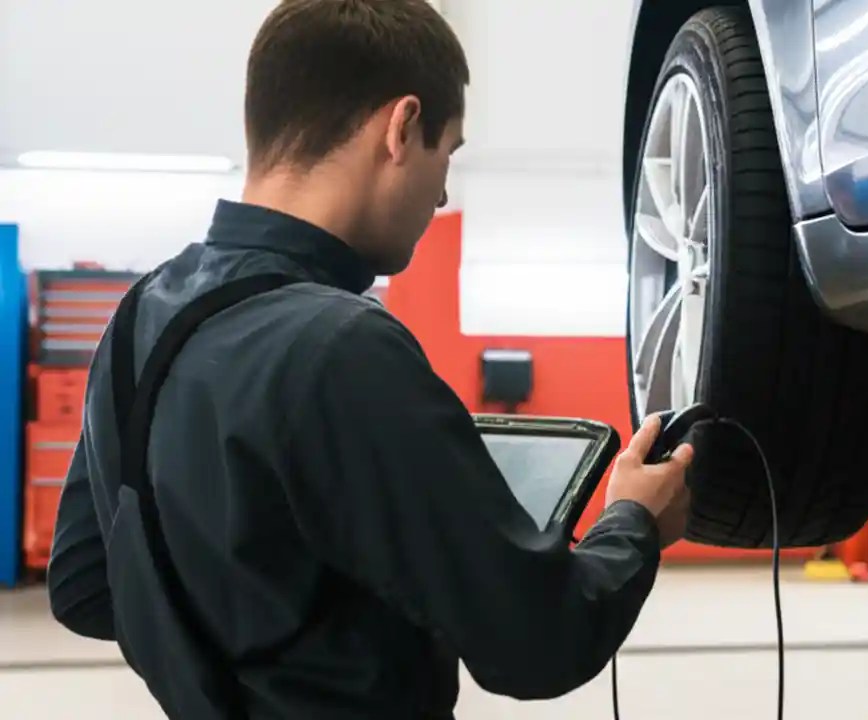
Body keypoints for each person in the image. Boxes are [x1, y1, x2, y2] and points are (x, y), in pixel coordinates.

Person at [45, 1, 693, 717]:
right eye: (446, 151)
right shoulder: (344, 348)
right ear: (401, 126)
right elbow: (537, 642)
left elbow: (85, 584)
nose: (444, 192)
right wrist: (633, 521)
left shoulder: (140, 315)